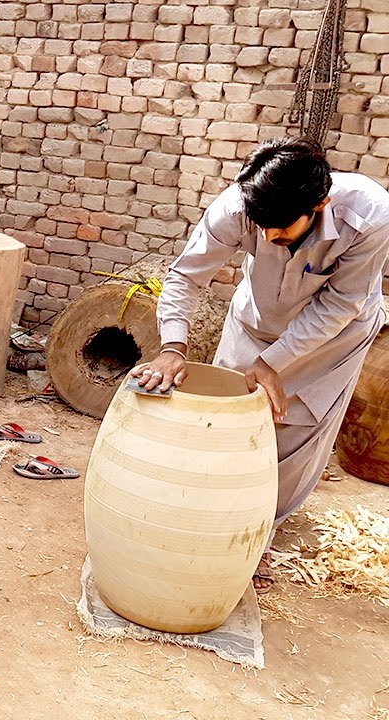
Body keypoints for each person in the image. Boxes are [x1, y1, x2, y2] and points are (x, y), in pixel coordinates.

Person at [134, 138, 389, 590]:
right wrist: (172, 345)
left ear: (320, 204)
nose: (268, 238)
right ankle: (206, 518)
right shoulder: (238, 206)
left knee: (291, 431)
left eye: (282, 230)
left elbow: (340, 305)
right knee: (226, 420)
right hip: (254, 322)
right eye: (262, 227)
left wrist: (275, 363)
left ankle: (255, 540)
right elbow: (186, 275)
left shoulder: (369, 215)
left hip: (331, 341)